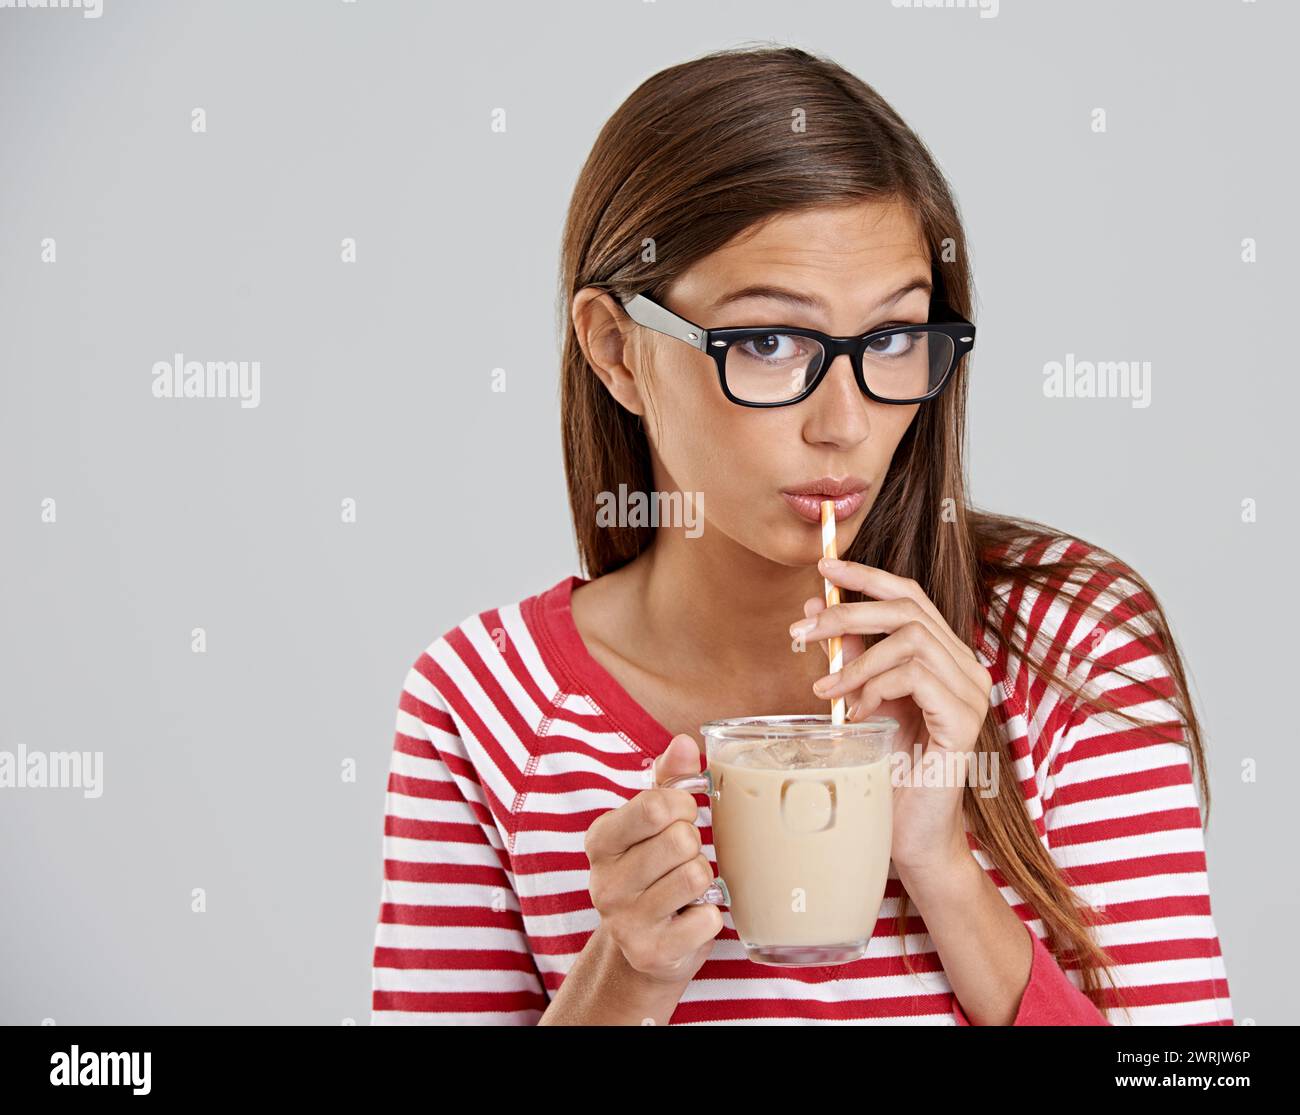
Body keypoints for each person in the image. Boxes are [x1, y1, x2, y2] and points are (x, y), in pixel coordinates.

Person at [369, 44, 1231, 1025]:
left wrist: (941, 866)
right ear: (616, 349)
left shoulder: (1069, 645)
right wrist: (628, 972)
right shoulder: (479, 706)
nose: (845, 423)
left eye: (894, 339)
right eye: (769, 342)